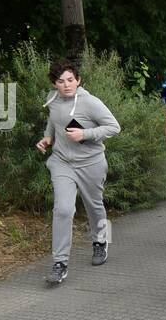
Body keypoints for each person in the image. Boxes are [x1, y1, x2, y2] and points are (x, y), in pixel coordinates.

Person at [35, 60, 121, 285]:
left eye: (70, 80)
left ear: (78, 80)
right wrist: (48, 137)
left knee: (95, 206)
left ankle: (101, 242)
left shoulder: (90, 102)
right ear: (54, 84)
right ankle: (60, 263)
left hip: (91, 163)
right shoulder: (52, 100)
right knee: (63, 209)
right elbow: (53, 122)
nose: (66, 85)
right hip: (62, 163)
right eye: (61, 81)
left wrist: (86, 135)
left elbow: (114, 127)